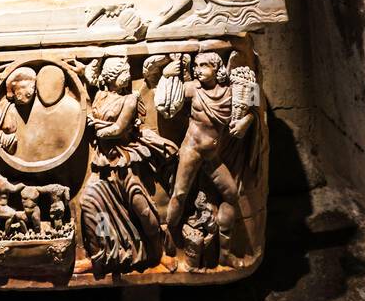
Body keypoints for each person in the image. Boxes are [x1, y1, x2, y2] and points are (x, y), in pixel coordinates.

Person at [78, 57, 177, 275]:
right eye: (123, 71)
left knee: (141, 209)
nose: (127, 75)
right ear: (113, 76)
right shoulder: (101, 95)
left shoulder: (131, 99)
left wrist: (97, 127)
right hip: (103, 165)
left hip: (125, 162)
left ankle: (158, 252)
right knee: (92, 207)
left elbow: (118, 130)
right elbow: (91, 110)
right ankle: (100, 257)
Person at [164, 51, 256, 268]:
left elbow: (254, 103)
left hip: (212, 156)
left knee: (231, 194)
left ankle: (225, 254)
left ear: (218, 68)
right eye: (197, 65)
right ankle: (168, 241)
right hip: (192, 150)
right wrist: (170, 70)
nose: (199, 70)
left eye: (205, 65)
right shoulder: (193, 89)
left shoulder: (231, 93)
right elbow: (167, 96)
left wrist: (247, 121)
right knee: (179, 194)